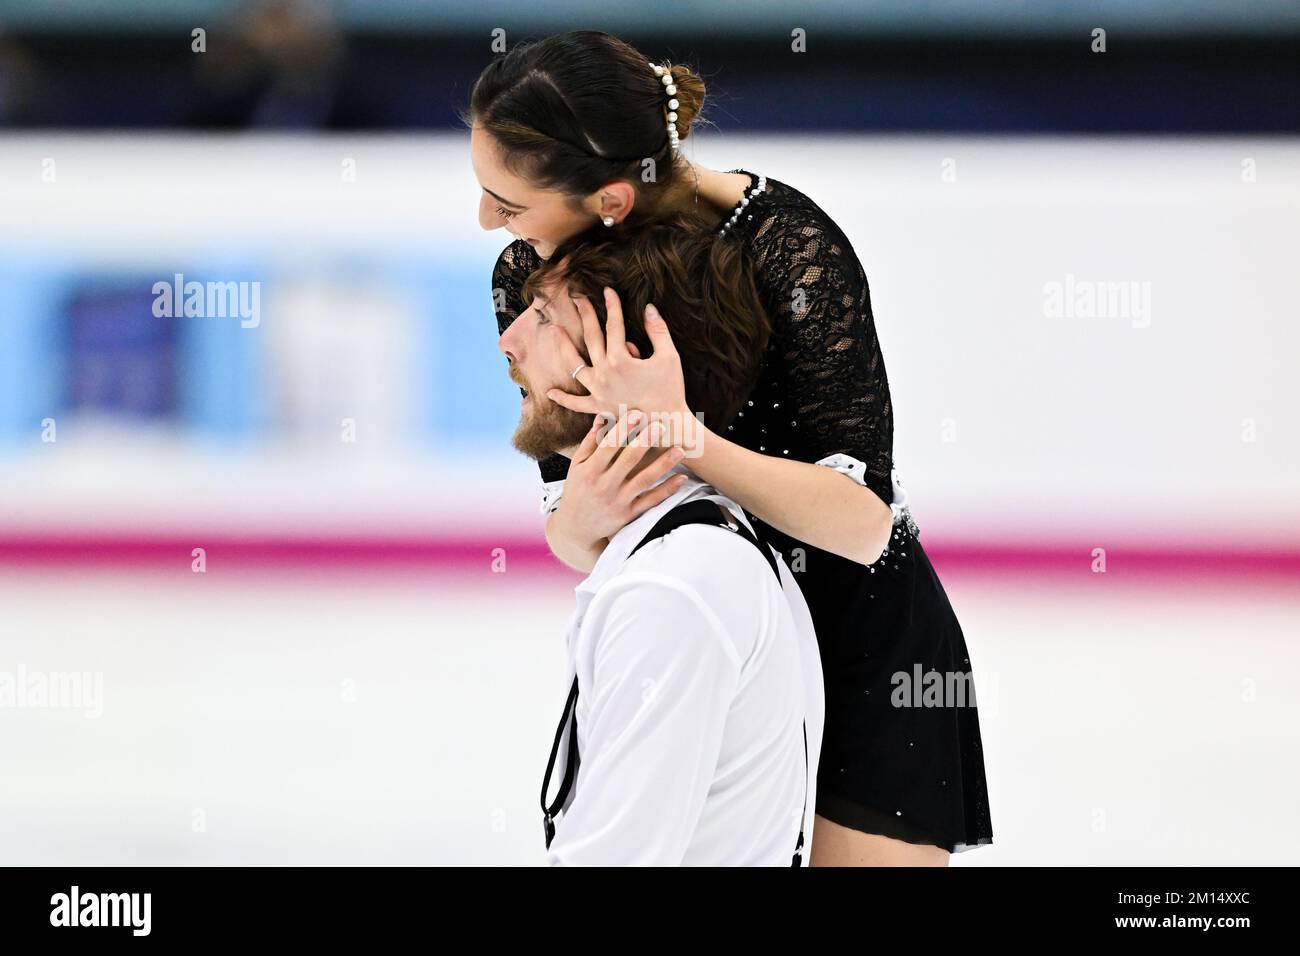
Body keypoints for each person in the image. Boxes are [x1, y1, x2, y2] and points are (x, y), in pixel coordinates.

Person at [468, 30, 992, 864]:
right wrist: (578, 522)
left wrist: (684, 436)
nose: (487, 220)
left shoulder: (787, 246)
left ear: (609, 199)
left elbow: (864, 527)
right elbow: (573, 529)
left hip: (860, 646)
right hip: (709, 631)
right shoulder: (535, 273)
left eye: (507, 199)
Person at [501, 214, 824, 865]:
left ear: (632, 357)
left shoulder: (677, 584)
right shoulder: (705, 548)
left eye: (541, 316)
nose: (508, 340)